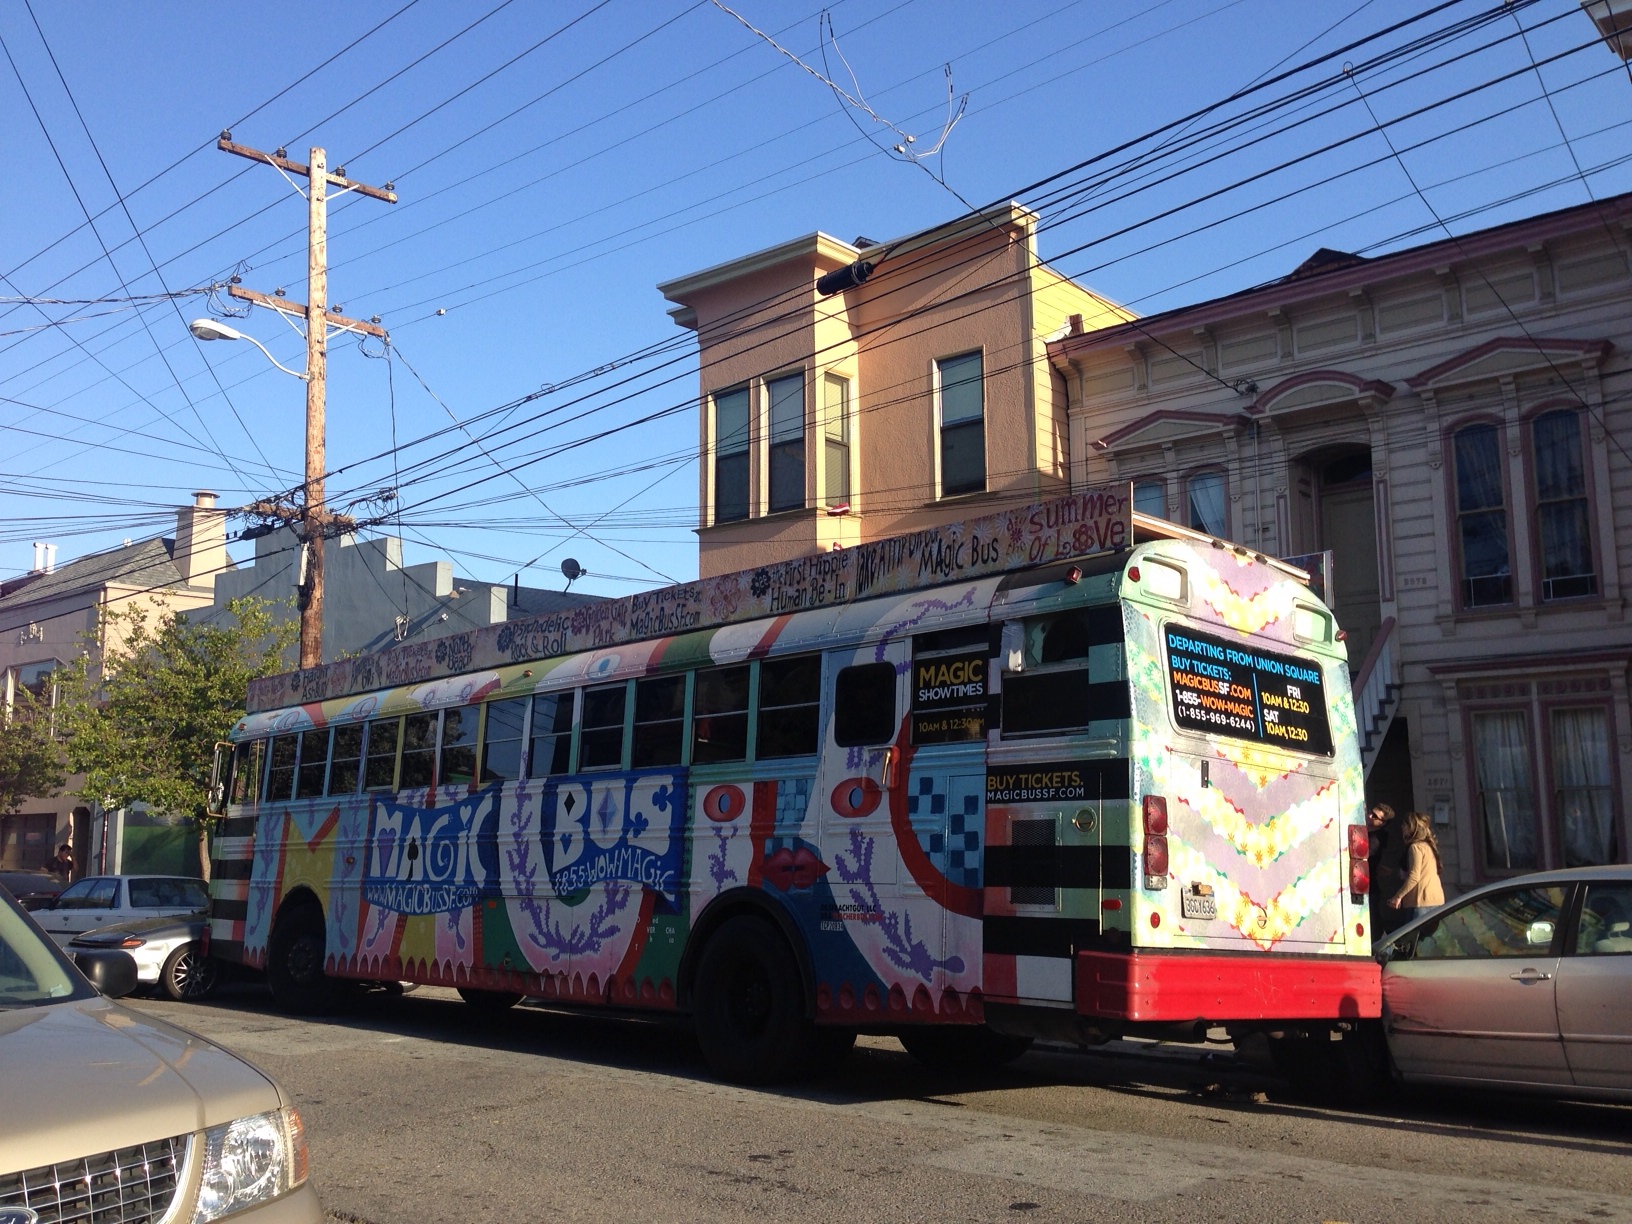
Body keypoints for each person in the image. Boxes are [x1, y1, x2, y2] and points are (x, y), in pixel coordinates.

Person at [1387, 811, 1445, 928]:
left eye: (1405, 824)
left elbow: (1414, 876)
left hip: (1421, 901)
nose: (1402, 827)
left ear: (1412, 827)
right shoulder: (1428, 846)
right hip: (1436, 899)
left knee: (1411, 940)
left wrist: (1398, 897)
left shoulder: (1415, 847)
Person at [1366, 803, 1406, 934]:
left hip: (1368, 884)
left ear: (1382, 823)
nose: (1369, 816)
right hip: (1370, 883)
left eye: (1375, 816)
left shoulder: (1376, 839)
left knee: (1372, 921)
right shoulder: (1363, 828)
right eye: (1371, 812)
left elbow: (1366, 855)